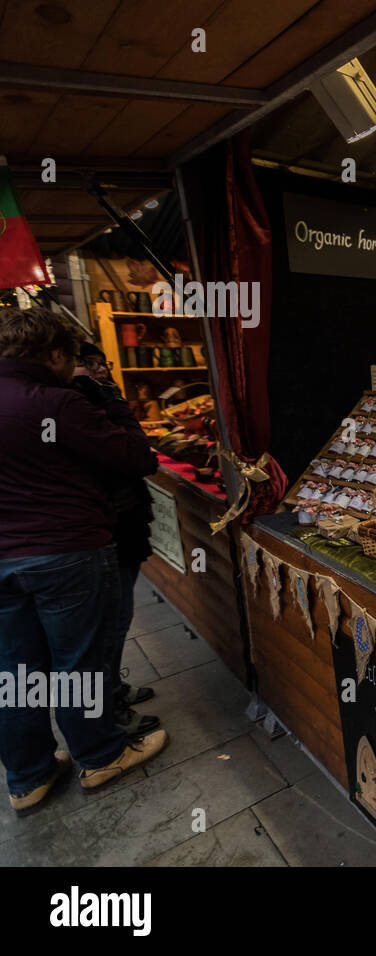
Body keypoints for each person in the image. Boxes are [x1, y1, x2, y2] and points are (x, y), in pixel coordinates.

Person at [0, 307, 167, 813]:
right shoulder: (55, 403)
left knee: (15, 668)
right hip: (65, 551)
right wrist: (110, 400)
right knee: (79, 664)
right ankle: (100, 755)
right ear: (53, 353)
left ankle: (28, 777)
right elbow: (140, 459)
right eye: (70, 356)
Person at [71, 342, 160, 736]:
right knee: (108, 621)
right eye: (84, 365)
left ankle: (112, 692)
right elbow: (139, 456)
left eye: (99, 363)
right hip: (99, 529)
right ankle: (108, 710)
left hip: (113, 524)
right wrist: (111, 401)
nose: (97, 371)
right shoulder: (75, 406)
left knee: (115, 618)